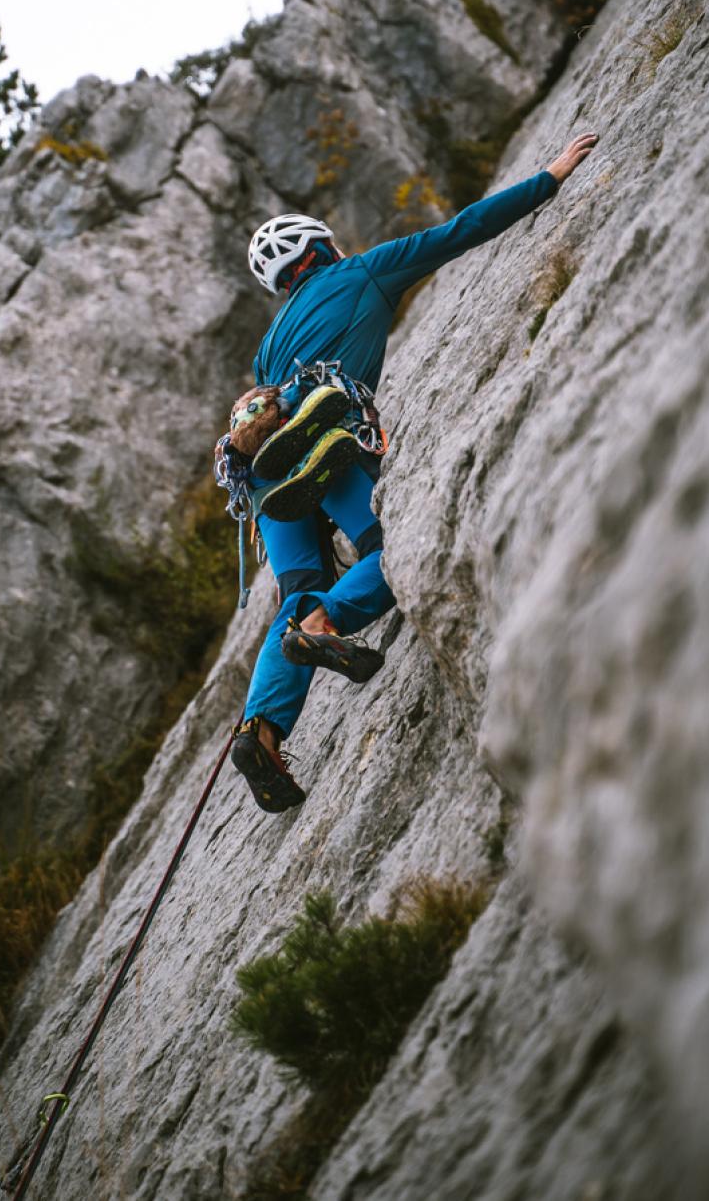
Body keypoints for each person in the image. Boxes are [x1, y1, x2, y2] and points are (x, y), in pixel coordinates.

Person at [230, 131, 599, 813]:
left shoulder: (267, 345)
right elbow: (460, 231)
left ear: (277, 284)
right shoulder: (362, 271)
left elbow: (262, 404)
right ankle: (325, 627)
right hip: (322, 444)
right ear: (323, 247)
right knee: (385, 552)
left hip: (262, 474)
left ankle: (262, 729)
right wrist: (548, 176)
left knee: (297, 588)